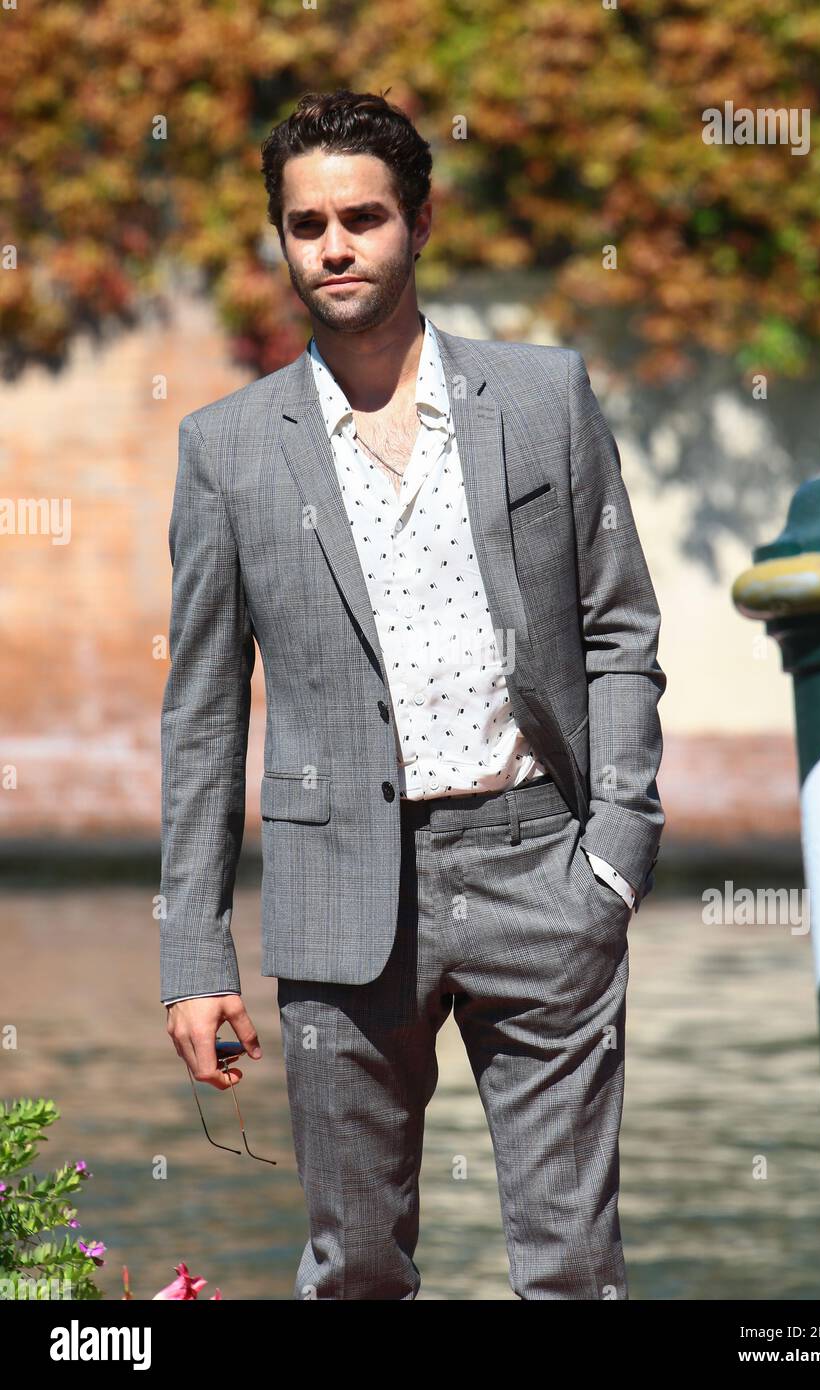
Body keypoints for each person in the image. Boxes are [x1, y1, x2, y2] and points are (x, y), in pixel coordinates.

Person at [160, 88, 666, 1300]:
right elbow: (202, 712)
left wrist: (616, 850)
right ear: (282, 237)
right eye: (305, 224)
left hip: (541, 867)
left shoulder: (542, 399)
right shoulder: (225, 447)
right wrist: (193, 952)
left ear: (419, 222)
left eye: (362, 218)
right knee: (356, 1269)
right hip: (338, 895)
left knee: (572, 1266)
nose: (332, 246)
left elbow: (620, 629)